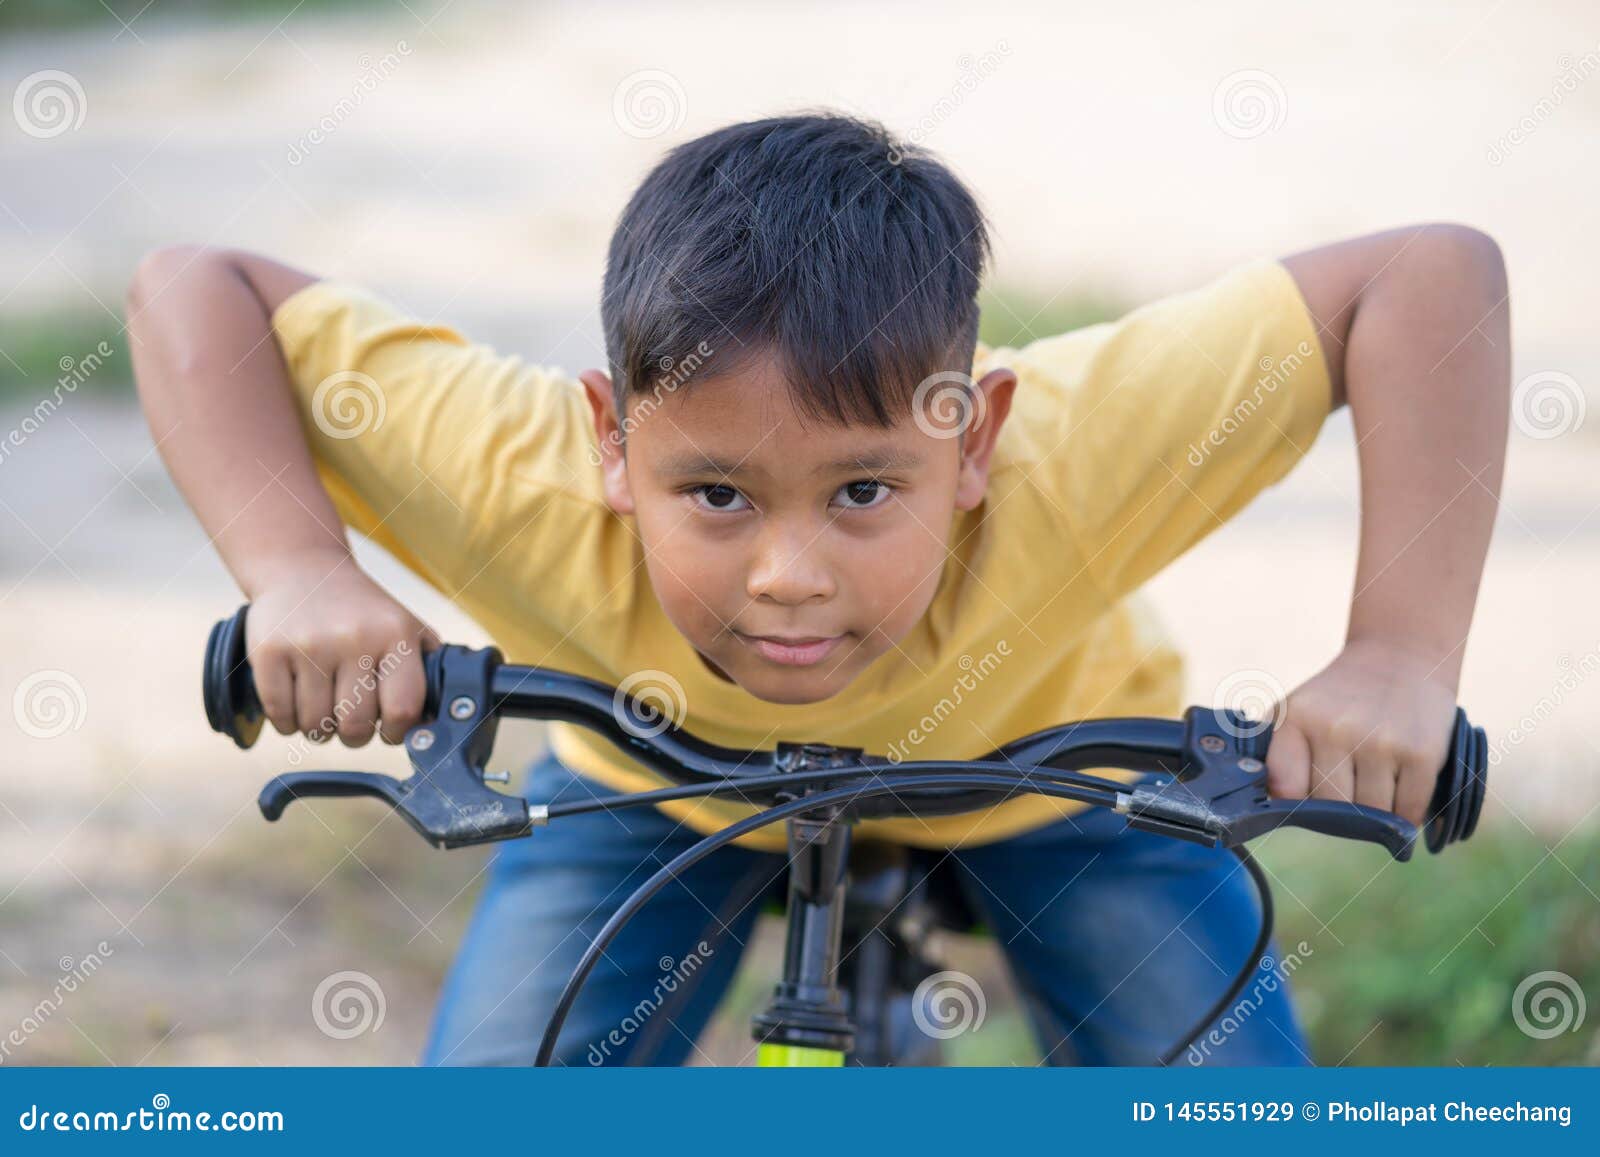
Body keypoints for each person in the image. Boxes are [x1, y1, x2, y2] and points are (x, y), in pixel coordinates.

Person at [127, 113, 1509, 1066]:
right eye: (716, 494)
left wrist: (1398, 652)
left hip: (1057, 770)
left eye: (862, 491)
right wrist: (300, 570)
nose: (788, 578)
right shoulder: (519, 480)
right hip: (652, 783)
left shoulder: (1081, 455)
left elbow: (1427, 276)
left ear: (974, 438)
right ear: (612, 443)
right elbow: (196, 287)